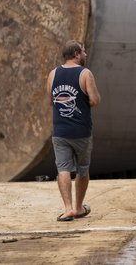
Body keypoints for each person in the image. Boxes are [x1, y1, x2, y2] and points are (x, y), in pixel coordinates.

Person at [46, 40, 102, 222]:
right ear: (77, 54)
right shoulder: (85, 73)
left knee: (62, 169)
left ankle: (68, 209)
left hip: (60, 131)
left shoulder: (53, 74)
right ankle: (79, 208)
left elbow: (51, 102)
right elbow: (94, 100)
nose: (85, 55)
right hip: (81, 132)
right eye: (84, 52)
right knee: (82, 170)